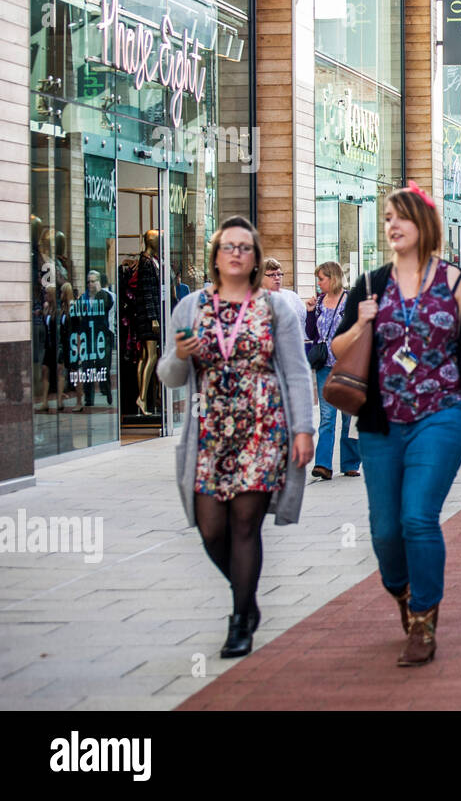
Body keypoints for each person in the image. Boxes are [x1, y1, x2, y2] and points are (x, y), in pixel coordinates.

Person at [332, 183, 461, 667]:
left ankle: (424, 619)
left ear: (424, 225)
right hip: (380, 423)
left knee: (417, 517)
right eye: (387, 217)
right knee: (385, 531)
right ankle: (402, 591)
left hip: (442, 415)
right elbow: (336, 349)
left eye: (401, 217)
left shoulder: (457, 283)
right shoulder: (369, 285)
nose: (392, 225)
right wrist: (360, 322)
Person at [158, 216, 314, 659]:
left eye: (245, 247)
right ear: (215, 256)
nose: (236, 254)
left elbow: (297, 373)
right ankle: (246, 597)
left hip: (262, 431)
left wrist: (302, 430)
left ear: (255, 257)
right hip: (209, 435)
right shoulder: (190, 308)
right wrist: (180, 355)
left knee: (245, 526)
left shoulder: (274, 308)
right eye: (228, 246)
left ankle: (239, 620)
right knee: (210, 528)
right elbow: (169, 376)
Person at [304, 261, 359, 481]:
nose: (318, 284)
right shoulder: (318, 303)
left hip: (347, 367)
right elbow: (310, 332)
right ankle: (323, 464)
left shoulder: (351, 301)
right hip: (325, 366)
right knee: (327, 417)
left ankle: (350, 463)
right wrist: (309, 312)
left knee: (348, 417)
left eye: (321, 279)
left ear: (333, 278)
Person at [78, 270, 115, 407]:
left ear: (98, 282)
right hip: (88, 336)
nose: (90, 284)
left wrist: (100, 292)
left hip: (101, 336)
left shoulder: (104, 296)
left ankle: (107, 390)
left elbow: (108, 305)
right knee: (87, 368)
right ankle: (88, 398)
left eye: (93, 281)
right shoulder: (84, 298)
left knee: (102, 366)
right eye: (88, 281)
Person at [263, 257, 307, 335]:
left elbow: (303, 323)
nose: (277, 278)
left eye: (279, 274)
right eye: (272, 275)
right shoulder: (256, 299)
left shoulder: (292, 296)